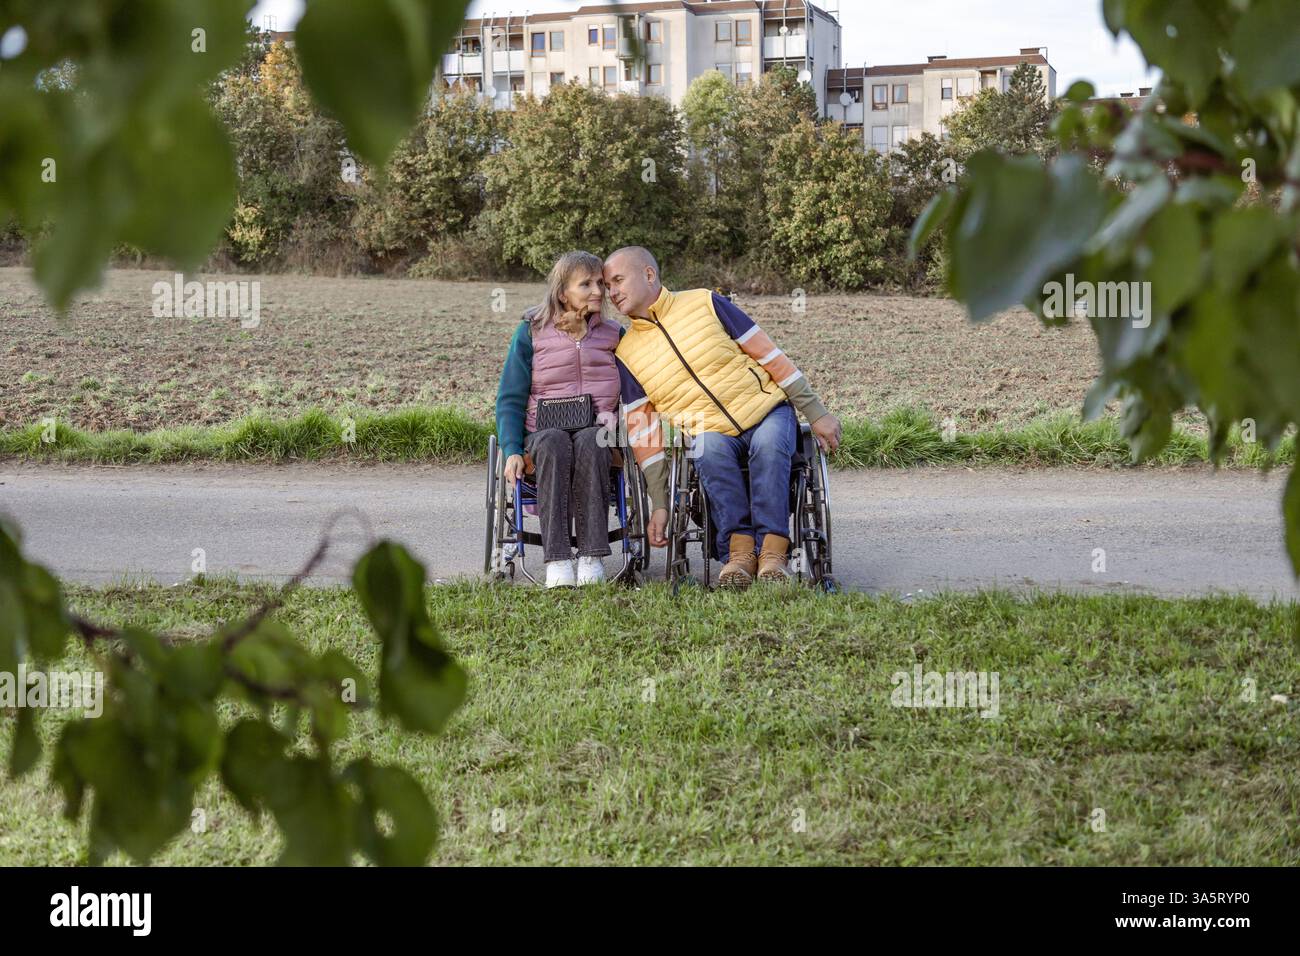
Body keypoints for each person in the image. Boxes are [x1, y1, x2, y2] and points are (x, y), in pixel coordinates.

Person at [606, 246, 841, 589]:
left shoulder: (705, 303)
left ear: (649, 275)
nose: (612, 292)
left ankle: (773, 553)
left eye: (617, 280)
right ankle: (740, 553)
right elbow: (643, 430)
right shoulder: (626, 353)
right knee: (710, 451)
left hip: (766, 411)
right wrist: (659, 502)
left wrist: (816, 412)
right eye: (607, 285)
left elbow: (770, 355)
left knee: (769, 444)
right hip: (708, 430)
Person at [494, 251, 622, 588]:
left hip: (597, 431)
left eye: (600, 283)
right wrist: (510, 449)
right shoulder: (531, 332)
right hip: (543, 433)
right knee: (553, 441)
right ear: (563, 293)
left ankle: (592, 556)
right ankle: (559, 558)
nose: (597, 290)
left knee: (592, 441)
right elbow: (510, 398)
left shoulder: (613, 334)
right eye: (586, 284)